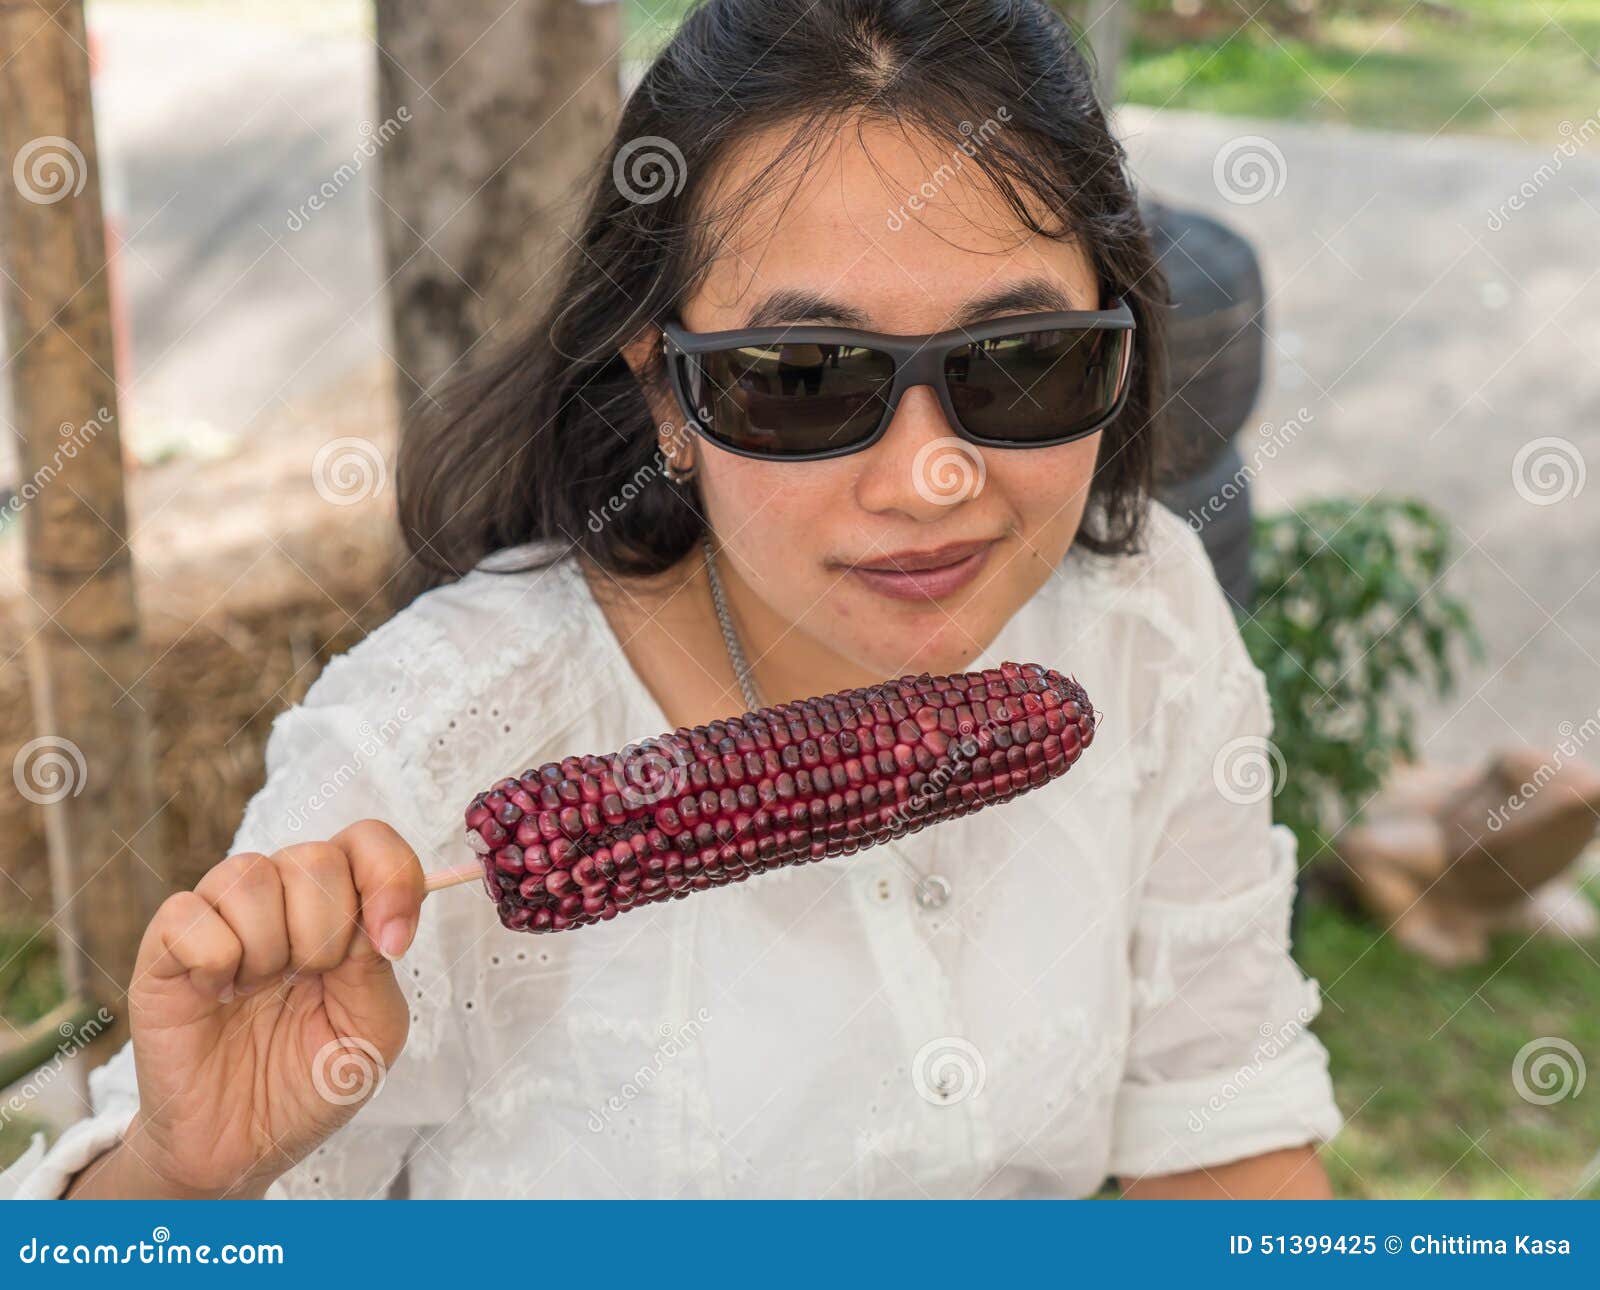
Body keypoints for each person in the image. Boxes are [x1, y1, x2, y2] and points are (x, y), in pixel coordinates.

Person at [10, 0, 1340, 1200]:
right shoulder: (420, 762)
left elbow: (1224, 1149)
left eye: (1023, 362)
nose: (934, 476)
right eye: (805, 377)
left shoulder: (1140, 615)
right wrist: (179, 1178)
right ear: (664, 392)